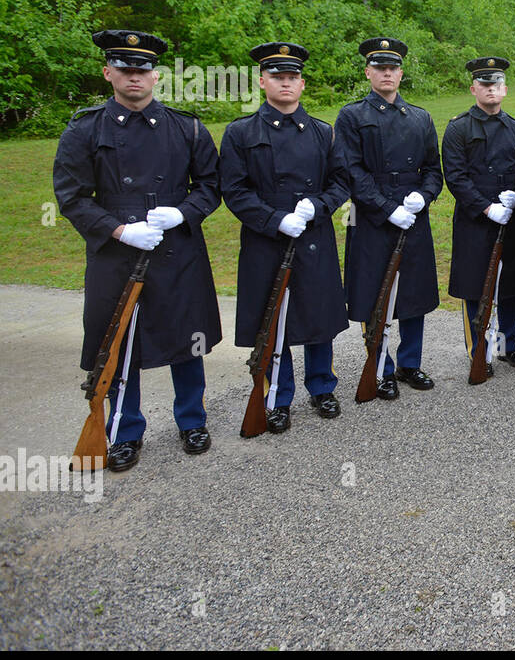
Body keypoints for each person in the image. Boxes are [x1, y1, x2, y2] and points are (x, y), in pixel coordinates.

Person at [53, 30, 222, 472]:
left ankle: (192, 420)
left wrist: (183, 213)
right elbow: (71, 196)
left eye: (142, 70)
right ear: (108, 72)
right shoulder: (85, 127)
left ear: (155, 76)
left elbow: (211, 186)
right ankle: (126, 430)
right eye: (125, 69)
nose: (134, 77)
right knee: (118, 343)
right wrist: (118, 230)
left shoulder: (186, 127)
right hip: (116, 250)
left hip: (176, 246)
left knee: (188, 339)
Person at [219, 42, 349, 432]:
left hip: (313, 234)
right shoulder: (241, 133)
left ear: (303, 83)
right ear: (262, 81)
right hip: (266, 239)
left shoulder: (324, 132)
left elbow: (341, 181)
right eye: (278, 76)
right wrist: (274, 219)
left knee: (319, 313)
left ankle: (322, 386)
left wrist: (319, 205)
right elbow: (234, 189)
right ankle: (277, 395)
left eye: (292, 77)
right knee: (271, 317)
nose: (286, 83)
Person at [334, 37, 442, 399]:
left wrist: (422, 198)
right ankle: (380, 367)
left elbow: (433, 170)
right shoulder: (352, 116)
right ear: (368, 72)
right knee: (375, 293)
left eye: (393, 68)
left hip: (412, 215)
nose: (387, 73)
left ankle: (410, 363)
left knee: (414, 291)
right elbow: (351, 170)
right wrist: (386, 208)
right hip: (373, 218)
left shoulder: (420, 117)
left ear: (401, 73)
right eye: (380, 68)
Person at [442, 57, 515, 377]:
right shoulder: (459, 127)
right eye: (484, 84)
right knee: (475, 286)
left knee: (510, 285)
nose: (490, 89)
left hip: (510, 220)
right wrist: (486, 207)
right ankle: (479, 349)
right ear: (473, 88)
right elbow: (455, 177)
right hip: (475, 221)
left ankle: (509, 345)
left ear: (505, 89)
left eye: (496, 84)